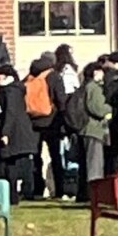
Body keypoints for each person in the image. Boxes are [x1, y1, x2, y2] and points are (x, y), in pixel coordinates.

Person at [0, 63, 42, 197]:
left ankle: (19, 192)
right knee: (21, 161)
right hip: (22, 129)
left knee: (14, 162)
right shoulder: (15, 88)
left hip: (15, 131)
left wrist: (5, 132)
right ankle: (22, 192)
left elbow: (11, 112)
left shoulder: (10, 91)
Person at [75, 56, 116, 195]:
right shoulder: (94, 87)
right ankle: (94, 193)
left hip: (87, 130)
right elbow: (97, 108)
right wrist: (111, 109)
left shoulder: (85, 86)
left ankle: (86, 193)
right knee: (95, 164)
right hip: (94, 130)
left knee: (88, 163)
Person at [45, 43, 81, 198]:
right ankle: (67, 188)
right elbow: (70, 94)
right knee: (67, 154)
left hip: (51, 119)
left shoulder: (52, 73)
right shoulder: (68, 71)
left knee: (58, 155)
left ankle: (58, 187)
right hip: (64, 119)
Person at [21, 52, 58, 199]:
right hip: (51, 121)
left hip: (32, 121)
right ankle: (59, 189)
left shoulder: (29, 77)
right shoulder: (53, 77)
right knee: (55, 157)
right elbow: (60, 98)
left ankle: (36, 189)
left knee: (35, 157)